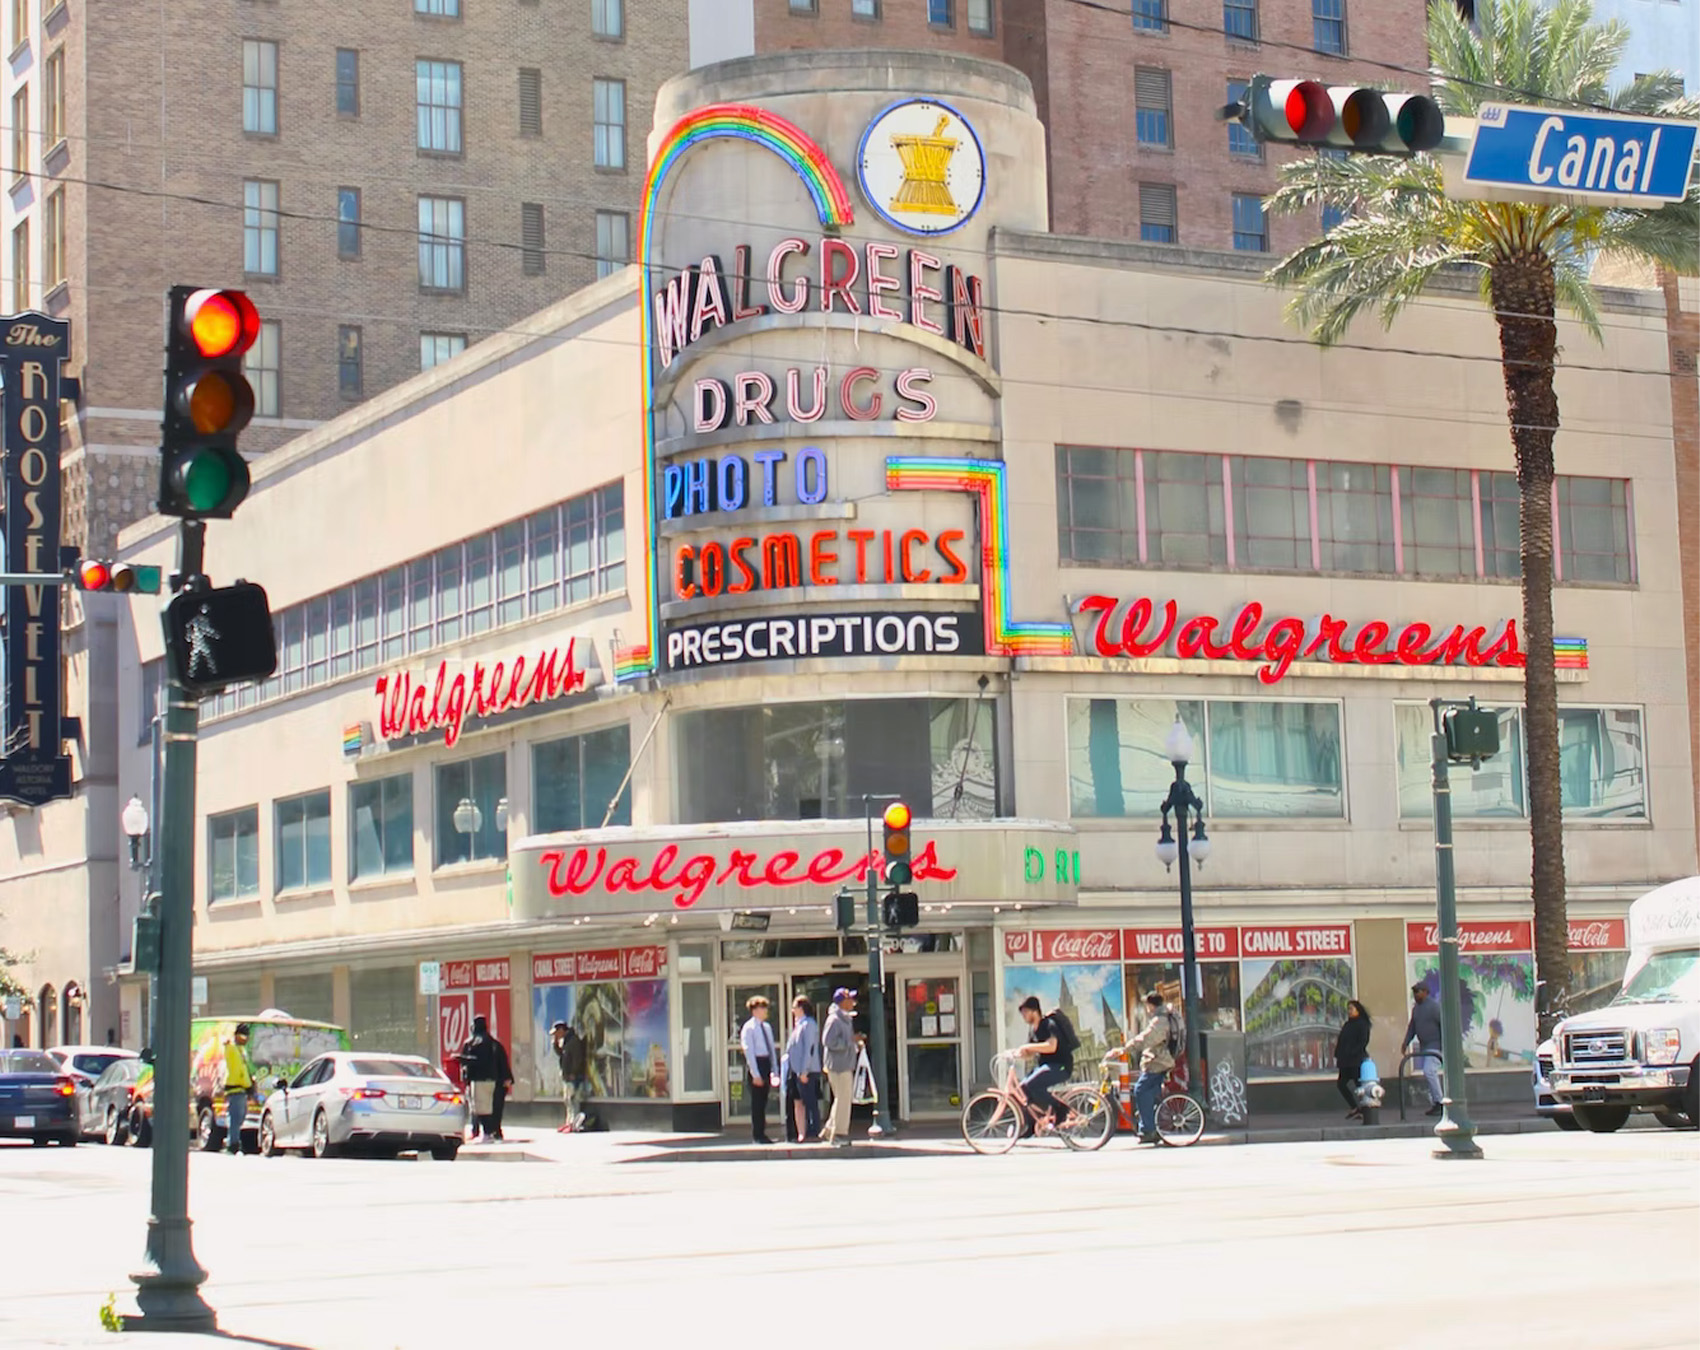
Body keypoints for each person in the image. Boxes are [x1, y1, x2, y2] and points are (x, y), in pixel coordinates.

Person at [1013, 995, 1074, 1135]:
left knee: (1031, 1084)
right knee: (1023, 1089)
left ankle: (1060, 1108)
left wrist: (1029, 1047)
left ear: (1034, 1011)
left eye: (1025, 1013)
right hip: (1046, 1066)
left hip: (1060, 1066)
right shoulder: (1033, 1031)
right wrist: (1016, 1053)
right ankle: (1031, 1124)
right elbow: (1031, 1053)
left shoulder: (1048, 1024)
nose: (1024, 1017)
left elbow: (1052, 1046)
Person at [1125, 992, 1177, 1145]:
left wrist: (1126, 1048)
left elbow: (1147, 1039)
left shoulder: (1160, 1021)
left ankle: (1148, 1129)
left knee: (1140, 1090)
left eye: (1147, 1005)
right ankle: (1151, 1121)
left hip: (1157, 1062)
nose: (1146, 1008)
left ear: (1151, 1005)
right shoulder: (1162, 1017)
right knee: (1149, 1093)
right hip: (1159, 1061)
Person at [819, 988, 859, 1148]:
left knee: (840, 1099)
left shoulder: (844, 1018)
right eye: (850, 999)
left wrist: (854, 1043)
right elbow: (828, 1041)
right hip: (838, 1066)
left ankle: (829, 1130)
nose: (853, 1002)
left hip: (844, 1064)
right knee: (843, 1100)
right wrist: (850, 1041)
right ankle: (839, 1134)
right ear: (842, 1001)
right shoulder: (834, 1019)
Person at [739, 995, 779, 1145]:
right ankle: (758, 1135)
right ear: (755, 1010)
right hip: (756, 1063)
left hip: (765, 1062)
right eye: (762, 1008)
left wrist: (774, 1069)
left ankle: (763, 1133)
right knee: (757, 1103)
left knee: (764, 1100)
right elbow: (749, 1051)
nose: (765, 1011)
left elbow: (771, 1049)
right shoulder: (749, 1028)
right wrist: (755, 1073)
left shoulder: (766, 1027)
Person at [457, 1015, 502, 1143]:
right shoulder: (492, 1041)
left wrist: (462, 1059)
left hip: (479, 1078)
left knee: (481, 1107)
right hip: (490, 1079)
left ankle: (487, 1134)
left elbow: (479, 1061)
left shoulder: (477, 1042)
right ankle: (488, 1133)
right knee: (486, 1106)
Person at [1402, 982, 1444, 1117]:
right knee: (1429, 1073)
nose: (1416, 994)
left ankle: (1440, 1102)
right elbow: (1412, 1027)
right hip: (1425, 1046)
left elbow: (1443, 1025)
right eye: (1414, 992)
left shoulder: (1434, 1007)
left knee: (1429, 1071)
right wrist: (1406, 1042)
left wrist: (1444, 1046)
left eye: (1418, 991)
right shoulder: (1416, 1009)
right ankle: (1436, 1103)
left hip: (1435, 1046)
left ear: (1426, 992)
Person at [784, 996, 822, 1143]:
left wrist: (804, 1070)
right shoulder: (798, 1024)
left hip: (806, 1071)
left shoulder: (809, 1024)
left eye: (794, 1007)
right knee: (797, 1101)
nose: (792, 1010)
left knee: (810, 1101)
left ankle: (814, 1131)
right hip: (795, 1070)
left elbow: (809, 1048)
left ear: (801, 1008)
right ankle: (801, 1132)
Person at [1335, 1000, 1373, 1119]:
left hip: (1356, 1060)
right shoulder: (1348, 1024)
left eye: (1351, 1009)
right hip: (1345, 1060)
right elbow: (1341, 1040)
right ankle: (1355, 1107)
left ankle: (1365, 1109)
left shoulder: (1362, 1024)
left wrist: (1353, 1052)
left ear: (1358, 1010)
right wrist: (1337, 1053)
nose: (1349, 1011)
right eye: (1348, 1009)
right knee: (1341, 1084)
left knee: (1359, 1085)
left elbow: (1363, 1041)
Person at [222, 1023, 255, 1155]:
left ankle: (232, 1140)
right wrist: (229, 1039)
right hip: (235, 1087)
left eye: (246, 1036)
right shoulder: (232, 1048)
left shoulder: (242, 1050)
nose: (244, 1039)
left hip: (243, 1088)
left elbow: (243, 1069)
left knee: (240, 1117)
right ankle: (233, 1143)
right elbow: (227, 1047)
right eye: (242, 1035)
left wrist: (250, 1086)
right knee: (236, 1117)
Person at [551, 1021, 589, 1133]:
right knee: (567, 1100)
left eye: (556, 1033)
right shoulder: (567, 1041)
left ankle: (574, 1124)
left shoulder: (573, 1041)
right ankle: (569, 1123)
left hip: (574, 1078)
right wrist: (555, 1044)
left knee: (573, 1100)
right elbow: (562, 1055)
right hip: (567, 1077)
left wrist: (574, 1073)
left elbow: (578, 1059)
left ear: (561, 1030)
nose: (556, 1035)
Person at [487, 1026, 515, 1142]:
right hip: (498, 1082)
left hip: (486, 1082)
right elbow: (504, 1063)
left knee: (486, 1107)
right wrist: (508, 1078)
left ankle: (487, 1130)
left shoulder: (474, 1044)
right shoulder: (495, 1045)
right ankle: (495, 1130)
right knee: (496, 1107)